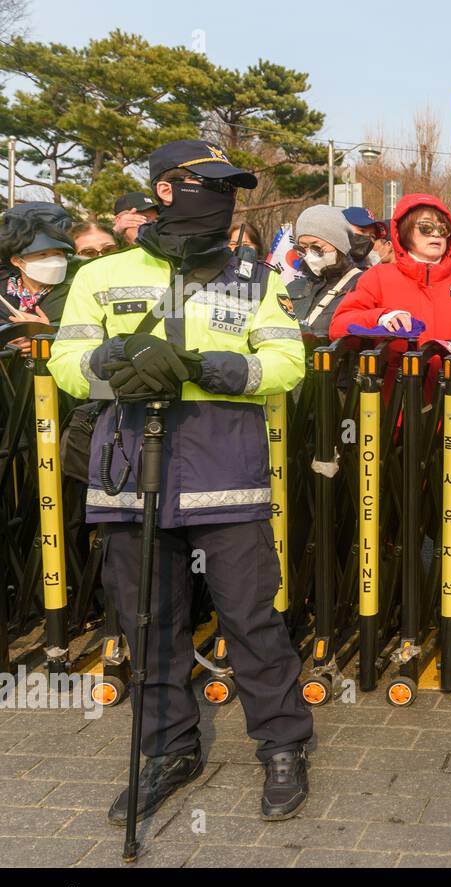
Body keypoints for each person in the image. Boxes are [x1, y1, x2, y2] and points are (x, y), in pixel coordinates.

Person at [48, 139, 313, 825]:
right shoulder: (100, 274)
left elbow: (289, 362)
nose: (224, 198)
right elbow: (67, 363)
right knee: (150, 624)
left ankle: (284, 744)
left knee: (253, 618)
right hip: (131, 472)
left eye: (231, 187)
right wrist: (112, 361)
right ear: (166, 189)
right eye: (209, 183)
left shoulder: (257, 277)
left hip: (226, 475)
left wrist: (221, 370)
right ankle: (170, 748)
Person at [330, 193, 451, 346]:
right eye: (426, 227)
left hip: (450, 372)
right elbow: (338, 326)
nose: (436, 234)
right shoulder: (376, 278)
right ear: (404, 232)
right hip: (390, 372)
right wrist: (381, 317)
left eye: (443, 229)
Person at [285, 205, 368, 338]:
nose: (309, 255)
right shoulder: (293, 287)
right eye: (302, 248)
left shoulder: (362, 284)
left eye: (316, 247)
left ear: (338, 243)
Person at [1, 213, 75, 328]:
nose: (54, 261)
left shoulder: (76, 290)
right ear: (17, 260)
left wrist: (48, 332)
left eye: (58, 254)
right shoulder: (2, 290)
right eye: (42, 254)